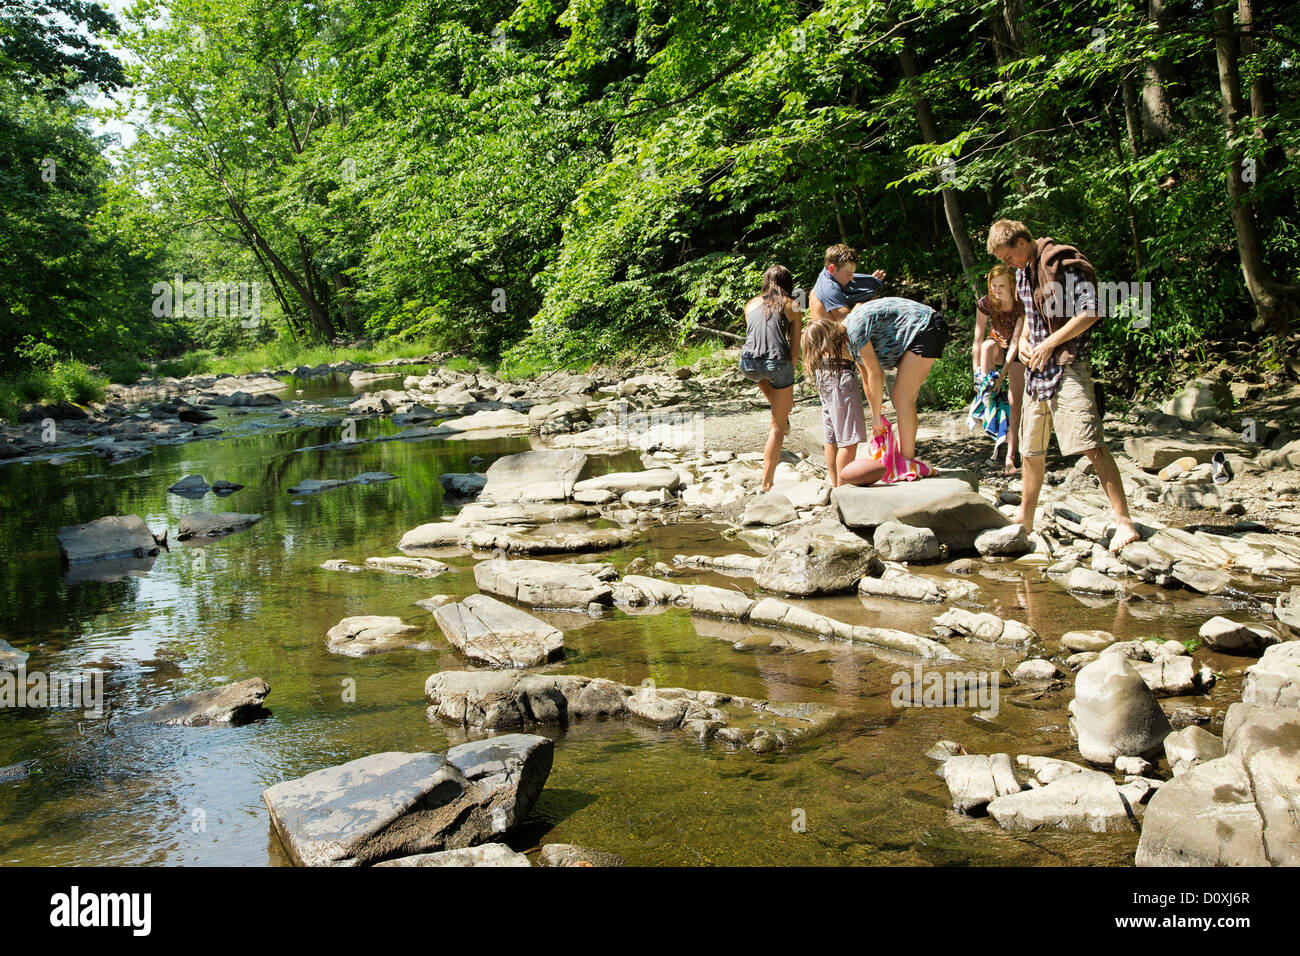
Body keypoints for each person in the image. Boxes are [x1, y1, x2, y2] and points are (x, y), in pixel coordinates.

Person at [986, 218, 1139, 552]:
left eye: (1007, 256)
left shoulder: (1062, 262)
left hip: (1068, 364)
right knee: (1030, 448)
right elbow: (1029, 315)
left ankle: (1124, 522)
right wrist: (1025, 340)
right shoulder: (1025, 271)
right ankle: (1025, 517)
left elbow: (1092, 312)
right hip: (1036, 369)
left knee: (1090, 443)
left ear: (1021, 241)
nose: (1006, 264)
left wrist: (1049, 343)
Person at [844, 296, 949, 461]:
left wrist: (877, 417)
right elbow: (866, 379)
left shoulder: (853, 332)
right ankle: (903, 457)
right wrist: (875, 416)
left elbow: (876, 374)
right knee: (904, 399)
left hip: (926, 326)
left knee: (901, 397)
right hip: (921, 330)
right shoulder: (847, 341)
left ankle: (906, 462)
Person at [738, 264, 802, 492]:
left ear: (765, 282)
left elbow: (757, 336)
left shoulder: (750, 304)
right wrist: (789, 383)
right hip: (777, 363)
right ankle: (766, 485)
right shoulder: (792, 305)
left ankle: (780, 405)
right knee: (778, 426)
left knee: (765, 379)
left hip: (747, 363)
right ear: (788, 284)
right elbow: (794, 352)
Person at [800, 316, 884, 486]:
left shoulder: (821, 357)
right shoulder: (849, 332)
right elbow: (870, 372)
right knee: (848, 440)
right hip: (841, 378)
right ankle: (843, 489)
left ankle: (836, 485)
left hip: (824, 376)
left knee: (832, 440)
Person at [972, 264, 1026, 473]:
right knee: (986, 345)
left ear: (1011, 284)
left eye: (1002, 285)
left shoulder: (1021, 304)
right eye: (994, 285)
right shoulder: (986, 303)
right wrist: (977, 372)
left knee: (1014, 401)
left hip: (1016, 350)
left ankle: (1011, 456)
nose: (997, 290)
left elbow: (1015, 342)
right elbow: (978, 338)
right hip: (995, 347)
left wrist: (1003, 374)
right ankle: (986, 395)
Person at [809, 244, 887, 323]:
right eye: (849, 274)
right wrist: (860, 308)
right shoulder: (830, 289)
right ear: (832, 269)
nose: (852, 278)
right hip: (834, 334)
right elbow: (848, 324)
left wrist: (866, 285)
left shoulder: (825, 277)